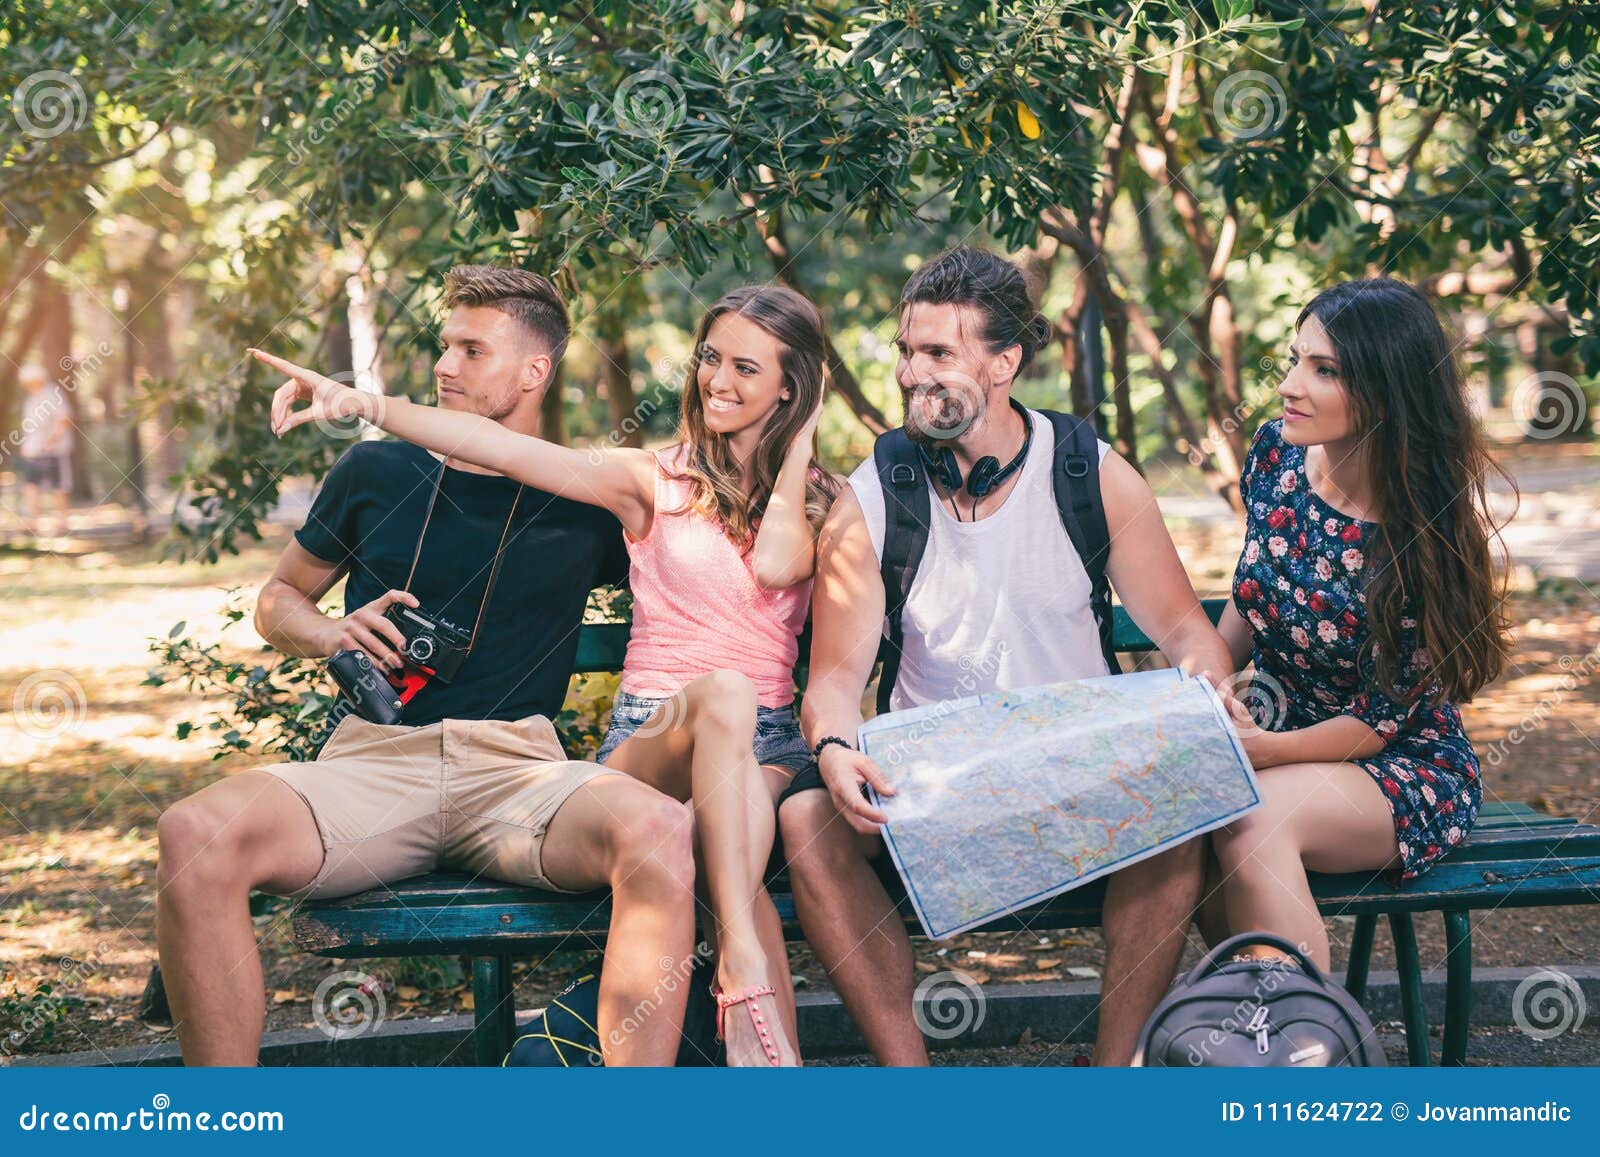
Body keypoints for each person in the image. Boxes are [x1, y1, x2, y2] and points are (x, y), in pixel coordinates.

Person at [254, 283, 840, 1066]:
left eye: (745, 367)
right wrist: (363, 404)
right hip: (661, 734)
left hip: (759, 747)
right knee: (722, 746)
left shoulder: (825, 500)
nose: (716, 379)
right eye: (709, 357)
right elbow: (500, 451)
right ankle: (743, 971)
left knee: (723, 830)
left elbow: (775, 561)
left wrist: (799, 446)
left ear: (793, 388)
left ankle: (759, 1050)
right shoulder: (645, 478)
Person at [158, 266, 699, 1066]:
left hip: (519, 770)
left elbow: (708, 568)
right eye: (444, 345)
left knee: (658, 829)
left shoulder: (588, 499)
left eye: (472, 350)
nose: (444, 365)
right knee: (192, 833)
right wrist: (330, 633)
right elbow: (278, 599)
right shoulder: (374, 472)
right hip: (371, 763)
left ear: (535, 371)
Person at [783, 246, 1235, 1066]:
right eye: (907, 350)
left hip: (1081, 777)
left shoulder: (1088, 471)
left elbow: (1187, 633)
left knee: (1178, 800)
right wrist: (837, 747)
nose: (911, 373)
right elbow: (835, 681)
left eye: (938, 352)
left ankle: (1114, 1078)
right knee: (806, 821)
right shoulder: (874, 495)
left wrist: (1206, 695)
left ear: (1005, 362)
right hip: (932, 790)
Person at [1204, 278, 1511, 971]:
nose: (1289, 385)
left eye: (1325, 370)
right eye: (1296, 359)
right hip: (1274, 733)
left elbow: (1378, 721)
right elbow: (1253, 594)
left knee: (1253, 816)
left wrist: (1263, 752)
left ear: (1386, 393)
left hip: (1394, 763)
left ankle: (1302, 1028)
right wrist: (1208, 691)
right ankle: (1244, 1010)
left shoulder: (1422, 536)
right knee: (1189, 824)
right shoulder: (1275, 455)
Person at [16, 363, 74, 537]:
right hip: (33, 450)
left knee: (58, 487)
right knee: (31, 486)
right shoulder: (31, 398)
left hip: (54, 450)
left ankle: (62, 524)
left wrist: (52, 440)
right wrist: (26, 445)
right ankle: (33, 523)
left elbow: (64, 419)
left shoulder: (52, 393)